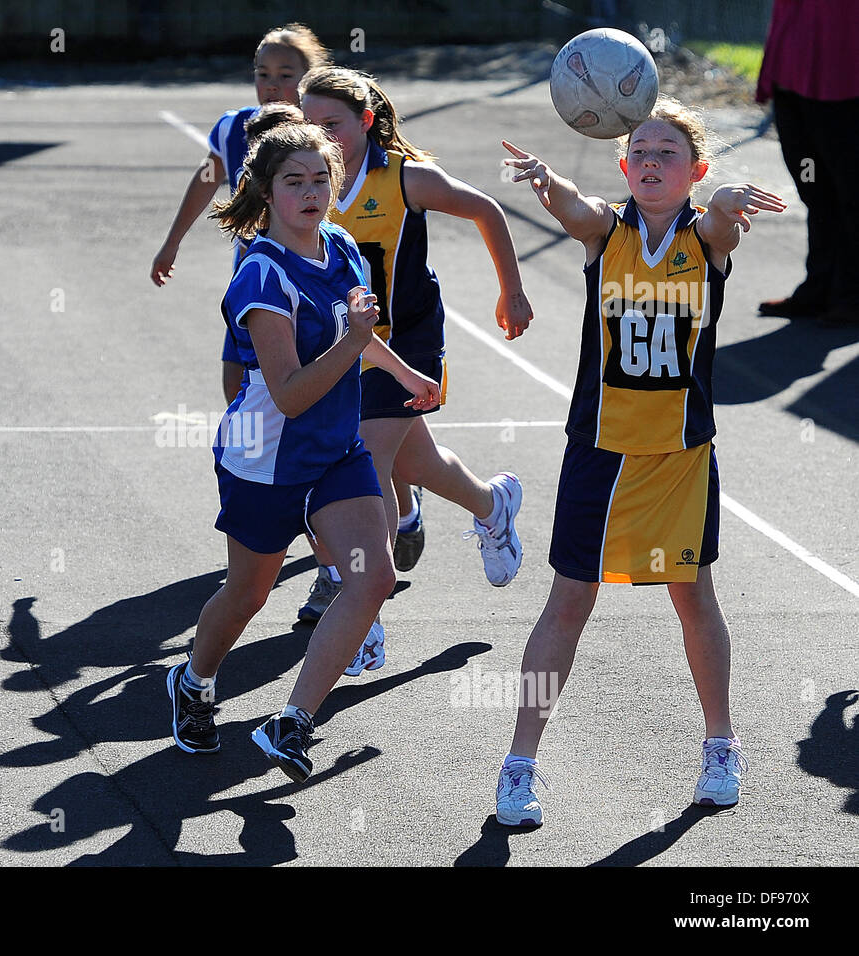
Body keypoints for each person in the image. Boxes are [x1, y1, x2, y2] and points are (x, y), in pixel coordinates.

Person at [495, 97, 785, 826]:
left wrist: (724, 200)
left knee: (693, 597)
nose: (651, 163)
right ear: (624, 166)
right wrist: (545, 180)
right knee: (568, 602)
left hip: (679, 455)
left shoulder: (707, 237)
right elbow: (575, 210)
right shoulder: (608, 230)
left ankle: (721, 743)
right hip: (601, 451)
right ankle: (519, 763)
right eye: (641, 153)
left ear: (694, 170)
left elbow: (723, 223)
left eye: (667, 154)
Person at [167, 122, 439, 782]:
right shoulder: (262, 276)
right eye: (294, 182)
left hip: (336, 451)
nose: (311, 192)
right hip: (265, 459)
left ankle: (293, 723)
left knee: (372, 578)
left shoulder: (342, 247)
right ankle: (195, 682)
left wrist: (404, 373)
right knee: (247, 595)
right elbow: (288, 393)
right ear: (266, 192)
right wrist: (353, 344)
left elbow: (359, 335)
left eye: (322, 179)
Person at [297, 68, 534, 672]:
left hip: (405, 345)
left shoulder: (403, 177)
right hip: (345, 350)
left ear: (366, 122)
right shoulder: (304, 184)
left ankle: (363, 619)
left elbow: (485, 208)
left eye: (333, 125)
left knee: (363, 469)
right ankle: (491, 504)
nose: (320, 135)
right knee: (414, 461)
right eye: (309, 124)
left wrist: (511, 290)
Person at [150, 23, 330, 404]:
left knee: (306, 380)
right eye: (262, 74)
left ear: (307, 79)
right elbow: (205, 180)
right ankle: (246, 456)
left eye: (285, 76)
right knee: (237, 380)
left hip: (310, 274)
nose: (271, 85)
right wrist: (172, 243)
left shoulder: (319, 132)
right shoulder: (235, 127)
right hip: (253, 271)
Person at [754, 0, 859, 327]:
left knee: (850, 192)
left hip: (842, 76)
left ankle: (850, 295)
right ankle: (819, 287)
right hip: (792, 73)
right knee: (812, 183)